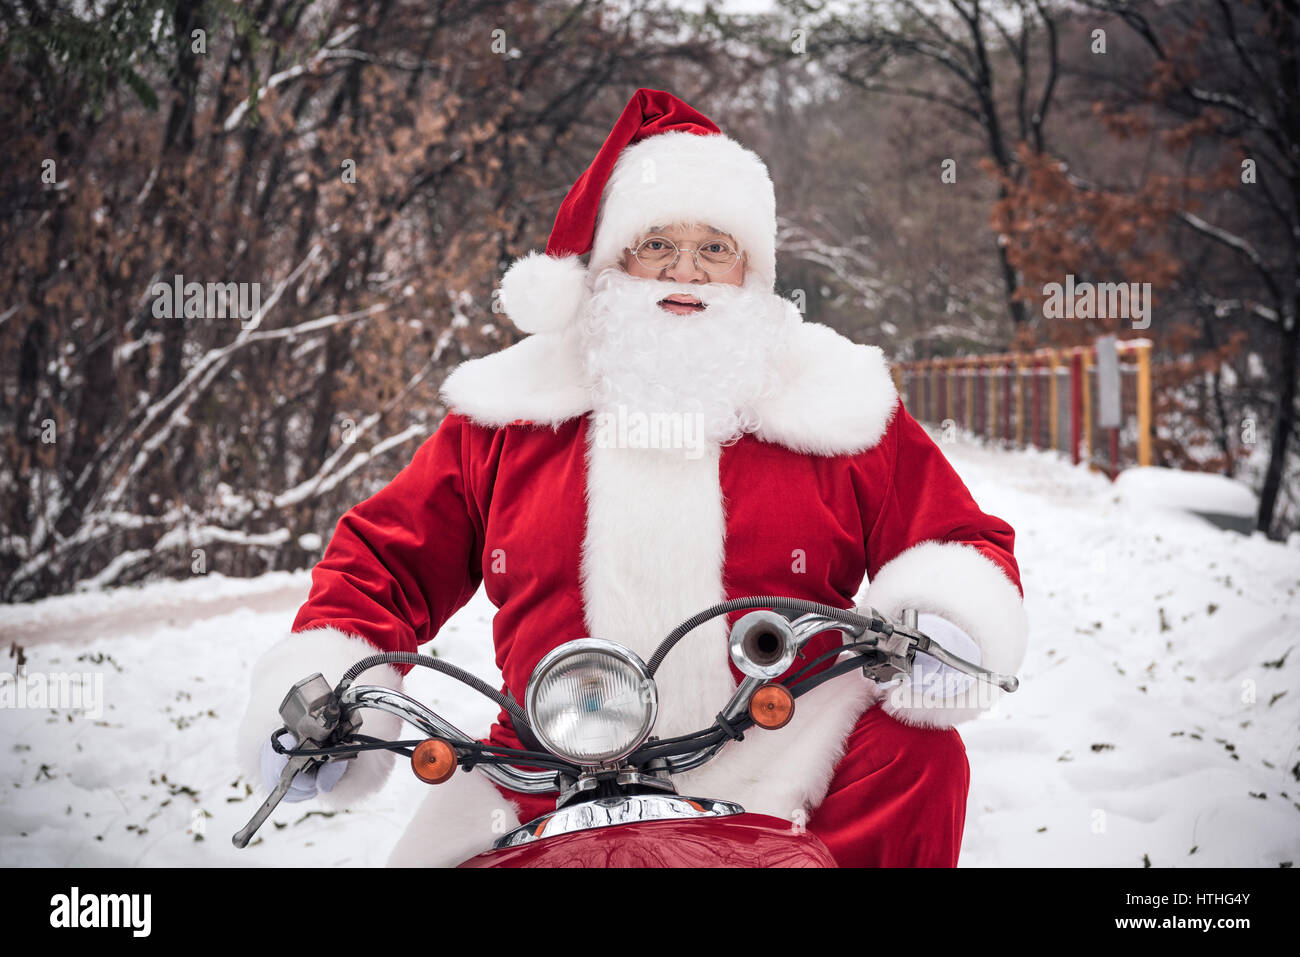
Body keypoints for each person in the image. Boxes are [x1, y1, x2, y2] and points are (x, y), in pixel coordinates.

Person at [235, 88, 1028, 867]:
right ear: (613, 258)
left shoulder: (829, 396)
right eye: (656, 244)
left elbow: (951, 534)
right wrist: (323, 685)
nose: (685, 271)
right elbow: (387, 557)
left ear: (751, 268)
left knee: (917, 759)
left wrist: (943, 621)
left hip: (784, 743)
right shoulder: (516, 407)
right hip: (548, 767)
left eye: (715, 248)